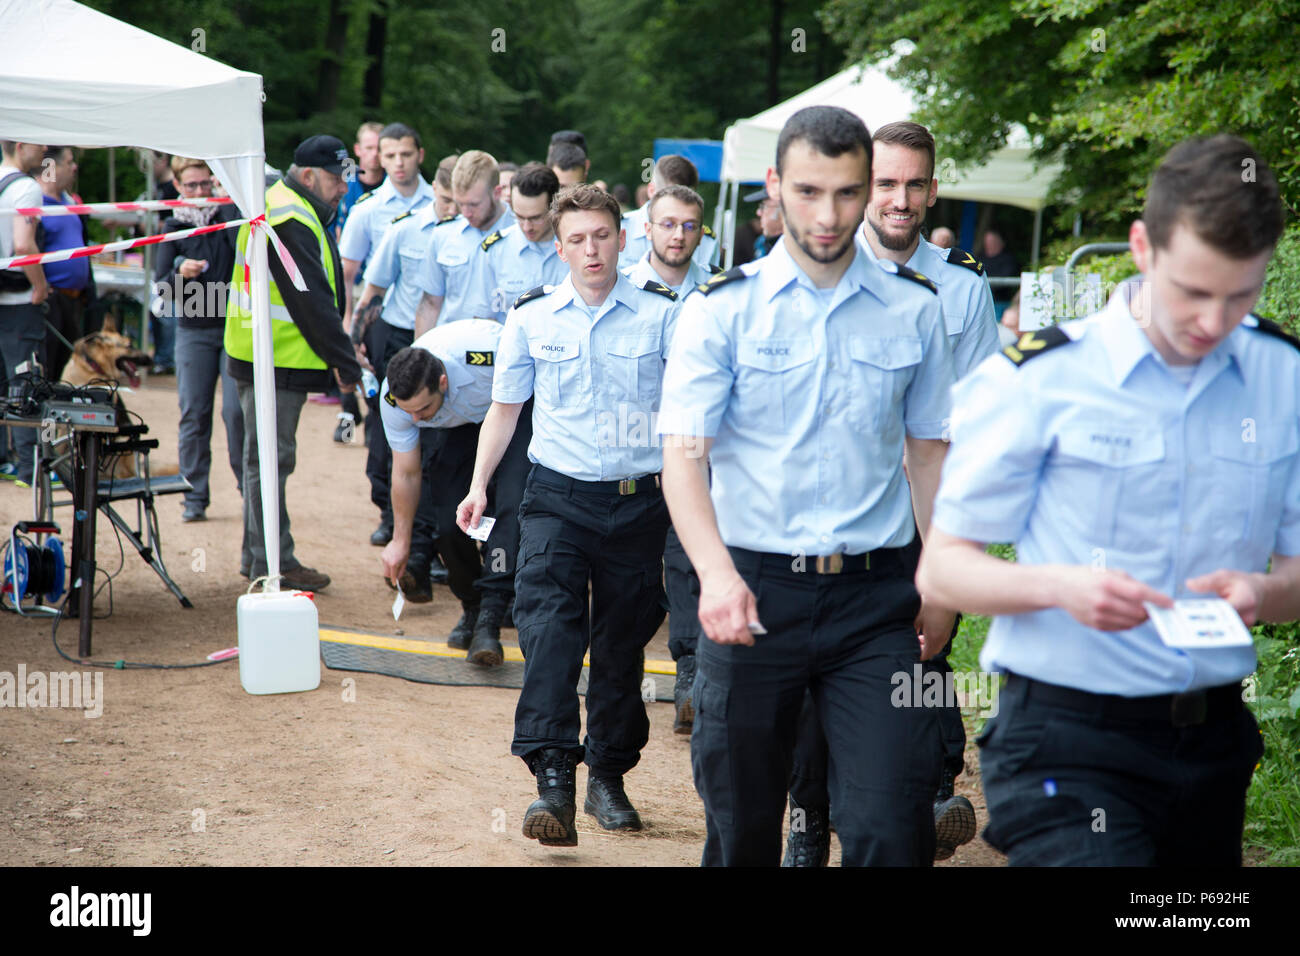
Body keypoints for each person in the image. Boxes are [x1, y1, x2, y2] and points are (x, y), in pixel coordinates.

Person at [917, 134, 1299, 867]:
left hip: (1214, 743)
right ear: (1141, 248)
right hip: (1066, 738)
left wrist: (1264, 589)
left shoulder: (1283, 377)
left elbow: (1298, 572)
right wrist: (1062, 588)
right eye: (1193, 292)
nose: (1214, 323)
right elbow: (943, 571)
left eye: (1240, 294)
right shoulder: (1039, 379)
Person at [658, 106, 957, 867]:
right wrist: (716, 577)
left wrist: (942, 579)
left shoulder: (915, 308)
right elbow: (684, 460)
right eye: (809, 192)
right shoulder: (718, 310)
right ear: (775, 187)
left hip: (878, 607)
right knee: (742, 825)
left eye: (848, 194)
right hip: (751, 598)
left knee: (892, 824)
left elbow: (929, 455)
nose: (829, 216)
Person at [781, 120, 1001, 865]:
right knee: (819, 680)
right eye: (886, 184)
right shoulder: (815, 268)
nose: (900, 200)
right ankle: (809, 818)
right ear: (862, 187)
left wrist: (949, 541)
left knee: (924, 666)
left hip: (928, 513)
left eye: (914, 185)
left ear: (932, 190)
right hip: (833, 518)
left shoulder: (964, 289)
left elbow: (975, 417)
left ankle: (926, 796)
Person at [456, 184, 680, 848]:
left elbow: (691, 415)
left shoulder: (662, 316)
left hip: (639, 505)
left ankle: (608, 775)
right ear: (559, 247)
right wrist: (478, 486)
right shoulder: (531, 318)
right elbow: (505, 410)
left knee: (619, 648)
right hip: (555, 500)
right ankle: (553, 776)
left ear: (623, 239)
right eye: (577, 239)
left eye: (602, 236)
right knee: (550, 633)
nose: (591, 249)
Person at [224, 134, 362, 592]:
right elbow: (311, 301)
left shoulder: (281, 203)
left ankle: (258, 556)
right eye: (336, 180)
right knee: (269, 462)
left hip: (261, 353)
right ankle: (272, 561)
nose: (343, 189)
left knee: (259, 461)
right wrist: (345, 362)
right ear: (307, 176)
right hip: (274, 360)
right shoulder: (291, 217)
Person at [379, 321, 532, 665]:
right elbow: (405, 470)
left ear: (443, 382)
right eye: (409, 412)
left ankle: (491, 616)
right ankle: (472, 606)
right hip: (459, 427)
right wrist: (401, 540)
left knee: (508, 509)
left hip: (511, 413)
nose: (415, 419)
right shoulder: (396, 399)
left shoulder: (488, 354)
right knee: (450, 523)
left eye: (422, 409)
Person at [620, 181, 715, 734]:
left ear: (702, 232)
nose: (677, 234)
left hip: (697, 451)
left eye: (688, 225)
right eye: (667, 223)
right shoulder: (619, 287)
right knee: (631, 570)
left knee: (686, 558)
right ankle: (622, 677)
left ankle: (689, 672)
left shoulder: (721, 293)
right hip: (629, 451)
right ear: (646, 229)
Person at [339, 122, 434, 548]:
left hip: (434, 331)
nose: (397, 163)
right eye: (389, 155)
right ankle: (388, 511)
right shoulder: (369, 210)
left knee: (436, 422)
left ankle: (430, 522)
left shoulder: (443, 202)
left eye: (405, 154)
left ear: (420, 154)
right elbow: (348, 274)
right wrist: (349, 330)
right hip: (385, 329)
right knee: (383, 417)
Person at [154, 156, 244, 522]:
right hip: (193, 330)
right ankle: (193, 497)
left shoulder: (228, 216)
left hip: (235, 327)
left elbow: (248, 250)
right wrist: (180, 272)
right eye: (191, 186)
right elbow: (162, 291)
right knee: (194, 413)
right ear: (177, 187)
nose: (199, 192)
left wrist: (228, 200)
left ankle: (249, 492)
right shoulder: (172, 227)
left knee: (237, 412)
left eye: (205, 184)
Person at [412, 151, 514, 337]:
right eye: (461, 204)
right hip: (451, 350)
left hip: (504, 352)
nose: (465, 213)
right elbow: (429, 305)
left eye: (473, 205)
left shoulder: (521, 233)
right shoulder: (443, 235)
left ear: (497, 193)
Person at [0, 139, 48, 486]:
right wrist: (41, 285)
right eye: (37, 140)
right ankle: (31, 470)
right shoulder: (27, 188)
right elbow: (23, 244)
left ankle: (4, 461)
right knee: (25, 385)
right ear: (20, 145)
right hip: (18, 301)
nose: (44, 147)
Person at [477, 162, 566, 321]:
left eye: (535, 218)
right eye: (519, 216)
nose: (526, 227)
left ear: (554, 207)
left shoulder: (577, 247)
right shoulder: (495, 250)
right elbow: (485, 318)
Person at [38, 146, 93, 383]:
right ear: (51, 167)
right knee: (47, 369)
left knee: (64, 372)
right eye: (69, 162)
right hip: (50, 302)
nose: (75, 167)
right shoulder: (35, 201)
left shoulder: (70, 203)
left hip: (74, 301)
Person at [618, 155, 718, 270]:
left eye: (687, 198)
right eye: (669, 196)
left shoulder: (707, 242)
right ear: (651, 191)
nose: (677, 206)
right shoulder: (620, 229)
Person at [621, 184, 716, 295]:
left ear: (700, 235)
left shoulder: (720, 289)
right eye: (668, 225)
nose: (679, 236)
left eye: (690, 226)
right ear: (648, 230)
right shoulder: (620, 287)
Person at [334, 121, 385, 241]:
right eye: (369, 148)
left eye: (379, 148)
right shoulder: (342, 184)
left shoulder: (395, 185)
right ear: (357, 149)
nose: (374, 154)